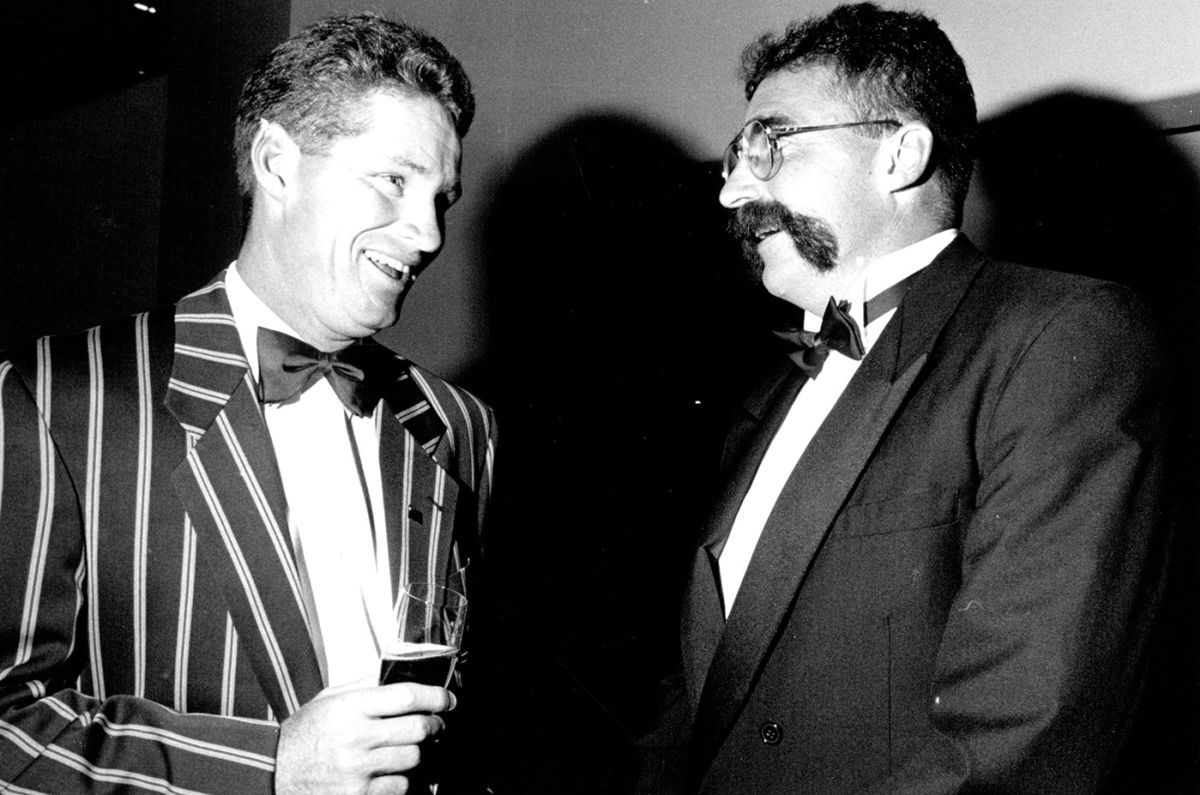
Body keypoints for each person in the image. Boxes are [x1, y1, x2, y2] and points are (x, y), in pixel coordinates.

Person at [638, 3, 1172, 793]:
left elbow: (1021, 735)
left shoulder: (1062, 336)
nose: (730, 193)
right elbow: (698, 704)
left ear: (901, 154)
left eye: (770, 145)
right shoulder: (764, 397)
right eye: (734, 156)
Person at [0, 14, 495, 794]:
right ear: (276, 162)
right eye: (394, 181)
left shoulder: (457, 425)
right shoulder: (64, 397)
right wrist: (271, 766)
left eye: (443, 197)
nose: (427, 233)